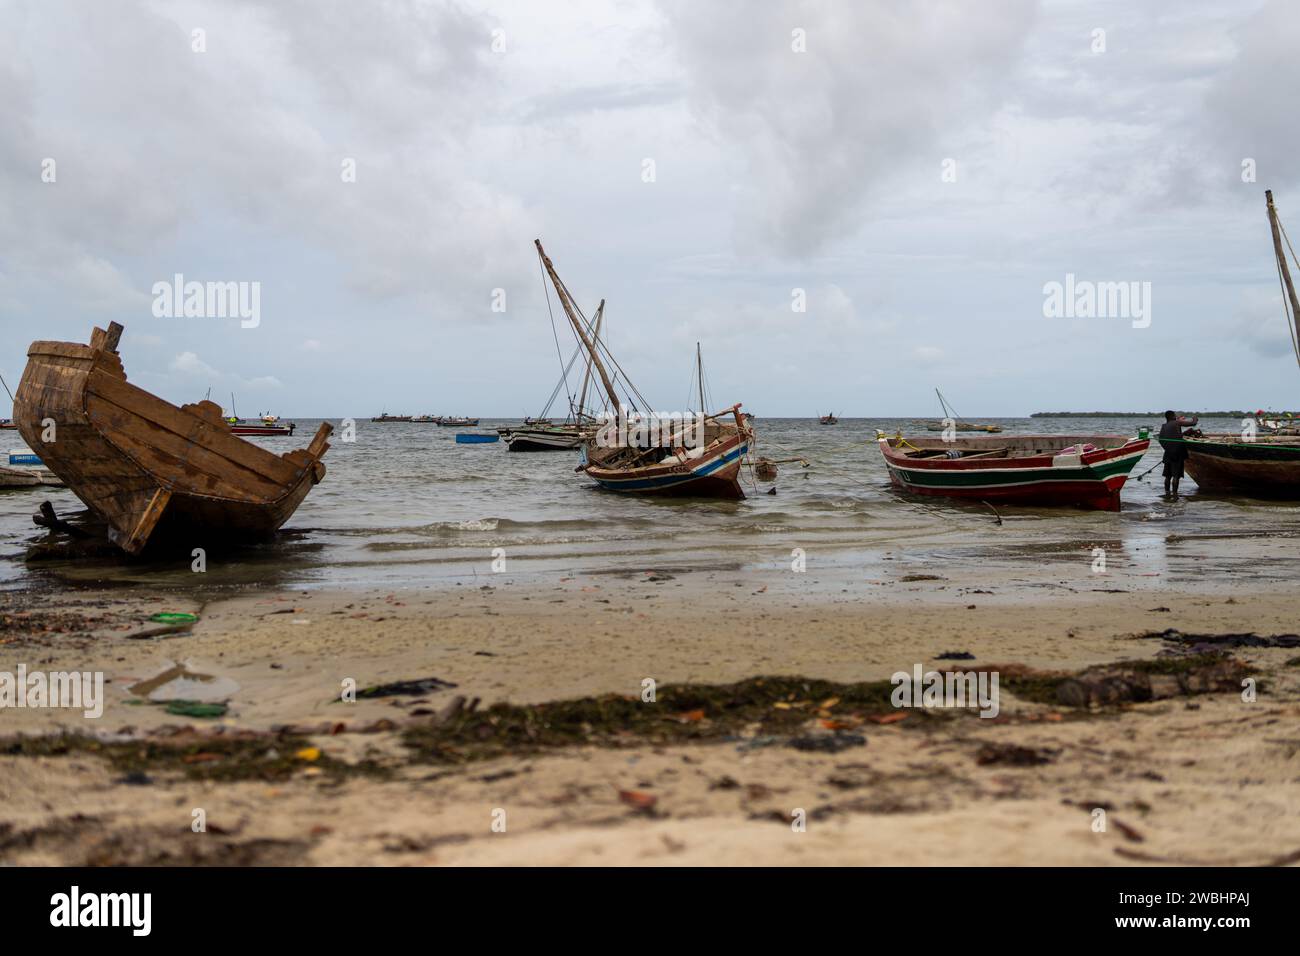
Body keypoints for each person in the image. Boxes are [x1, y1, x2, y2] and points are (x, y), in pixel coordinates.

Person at [1157, 410, 1199, 497]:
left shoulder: (1164, 426)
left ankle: (1167, 493)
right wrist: (1195, 417)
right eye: (1175, 415)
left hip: (1168, 453)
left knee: (1168, 476)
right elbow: (1193, 423)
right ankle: (1175, 495)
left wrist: (1168, 448)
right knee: (1176, 475)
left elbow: (1161, 439)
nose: (1176, 416)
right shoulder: (1177, 422)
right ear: (1172, 416)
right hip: (1177, 453)